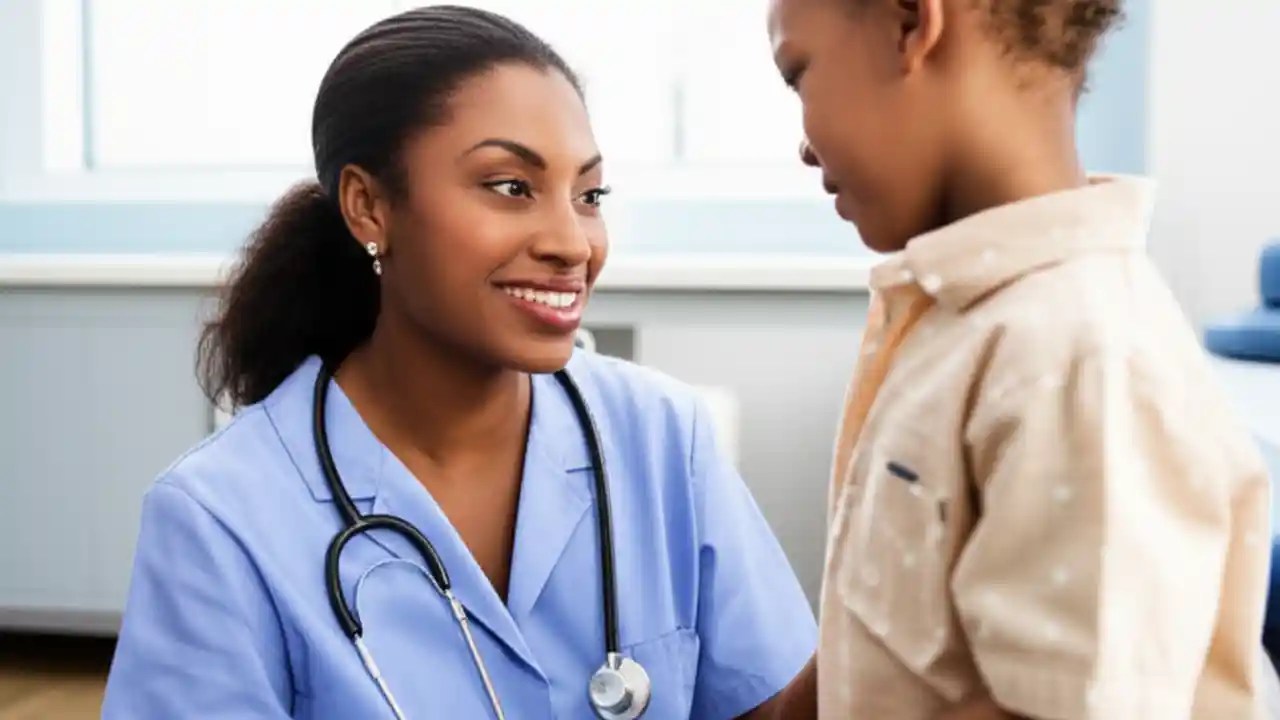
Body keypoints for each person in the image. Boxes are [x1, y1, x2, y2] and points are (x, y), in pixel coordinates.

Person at [101, 6, 816, 718]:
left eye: (589, 195)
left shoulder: (661, 439)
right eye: (511, 187)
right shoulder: (220, 518)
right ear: (368, 206)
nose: (573, 243)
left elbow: (772, 706)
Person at [765, 0, 1273, 718]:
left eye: (798, 74)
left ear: (910, 25)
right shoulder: (962, 326)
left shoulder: (1081, 358)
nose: (806, 148)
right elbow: (891, 629)